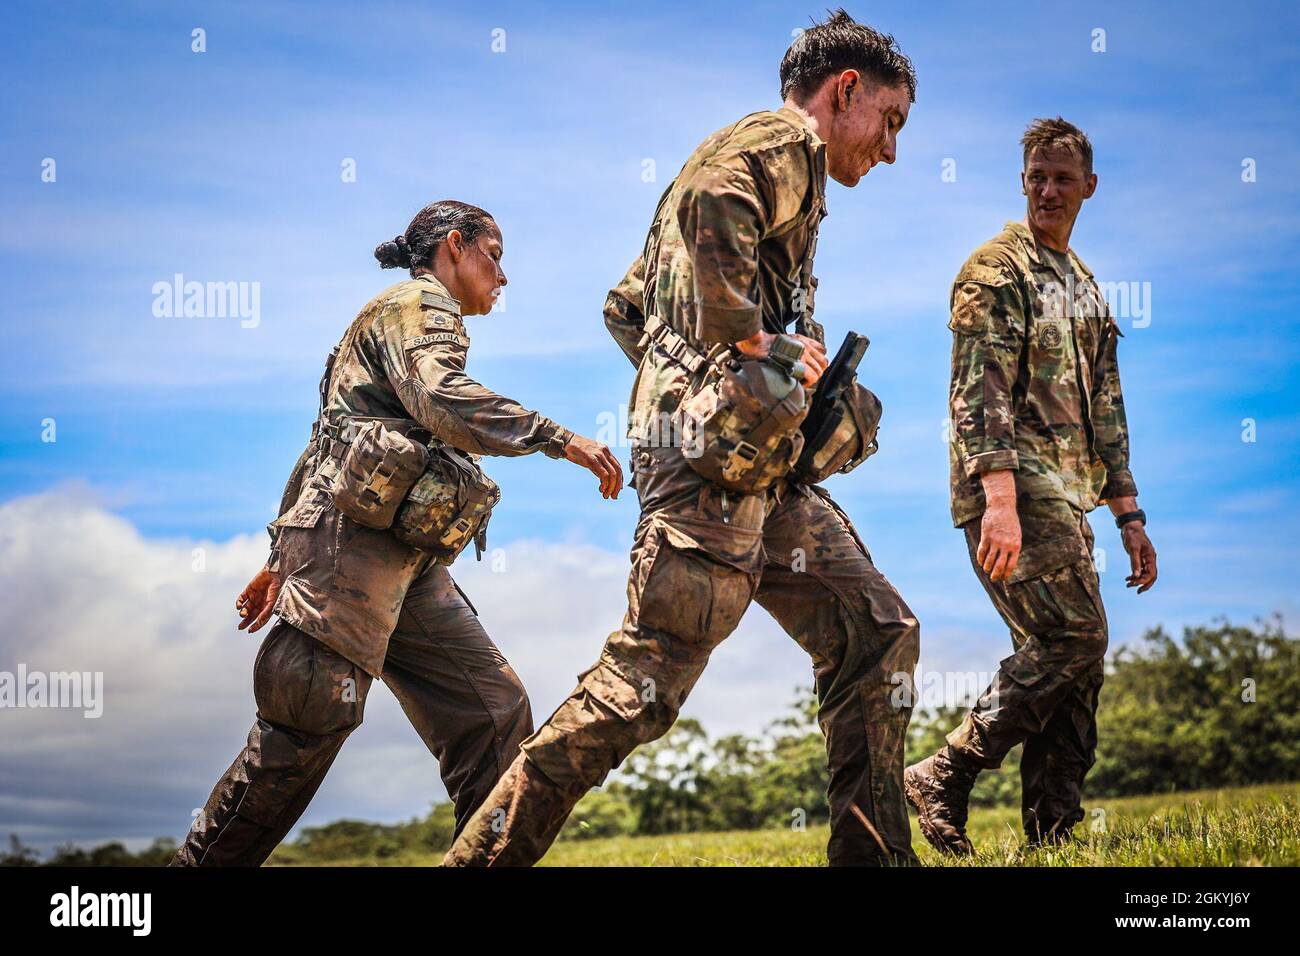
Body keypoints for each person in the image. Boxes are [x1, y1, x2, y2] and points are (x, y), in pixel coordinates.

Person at [444, 10, 920, 868]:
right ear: (846, 90)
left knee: (876, 631)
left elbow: (625, 307)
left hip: (753, 466)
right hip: (708, 479)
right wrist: (748, 344)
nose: (890, 151)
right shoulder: (782, 142)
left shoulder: (770, 165)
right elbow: (714, 197)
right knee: (639, 689)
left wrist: (709, 386)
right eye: (889, 122)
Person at [172, 200, 622, 865]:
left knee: (492, 714)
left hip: (404, 560)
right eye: (494, 256)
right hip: (348, 556)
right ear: (455, 246)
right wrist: (559, 438)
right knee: (301, 733)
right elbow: (439, 397)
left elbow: (326, 442)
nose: (502, 276)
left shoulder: (397, 314)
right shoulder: (420, 305)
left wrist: (280, 556)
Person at [905, 118, 1158, 854]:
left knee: (1075, 665)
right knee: (1074, 635)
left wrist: (1129, 517)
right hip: (1010, 489)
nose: (1049, 190)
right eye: (1037, 177)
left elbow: (1107, 410)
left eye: (1062, 178)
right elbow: (976, 393)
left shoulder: (1086, 289)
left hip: (1069, 495)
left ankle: (1053, 837)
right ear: (1022, 181)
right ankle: (946, 770)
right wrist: (1001, 502)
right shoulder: (996, 270)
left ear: (1089, 186)